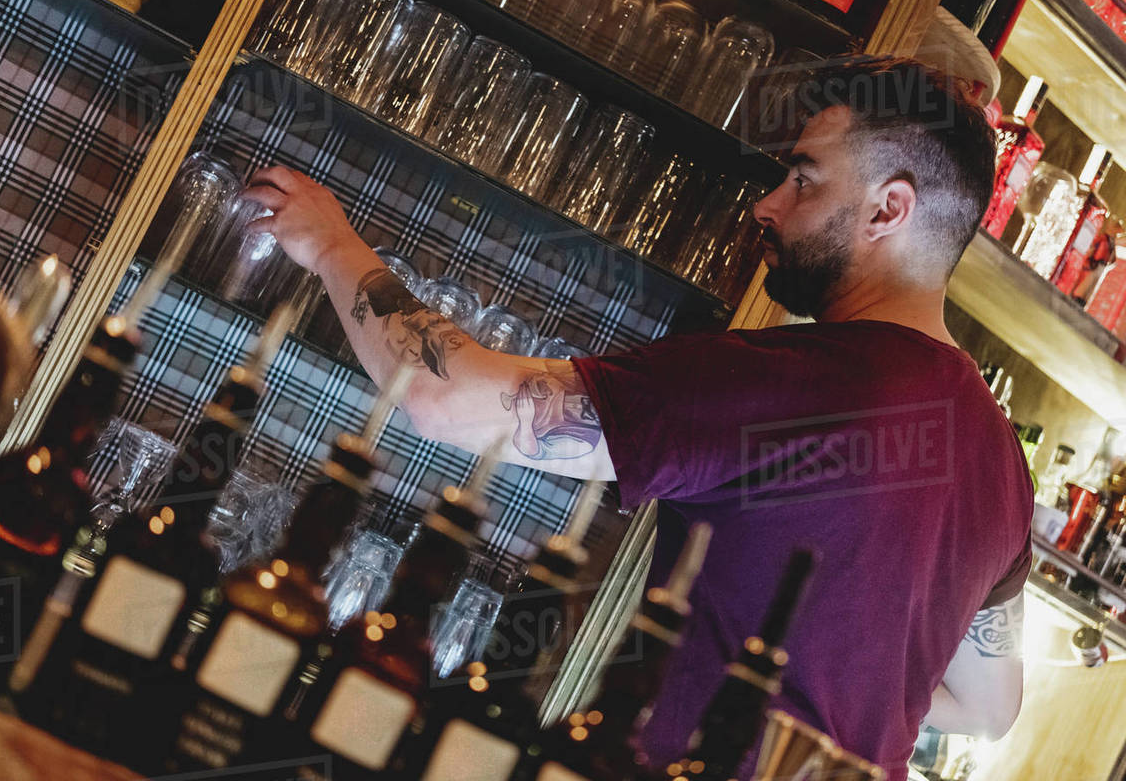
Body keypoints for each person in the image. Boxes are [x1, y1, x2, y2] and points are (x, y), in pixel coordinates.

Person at [242, 56, 1031, 780]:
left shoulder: (793, 381)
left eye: (804, 179)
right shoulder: (1003, 464)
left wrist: (330, 244)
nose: (767, 206)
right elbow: (991, 710)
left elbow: (446, 400)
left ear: (888, 208)